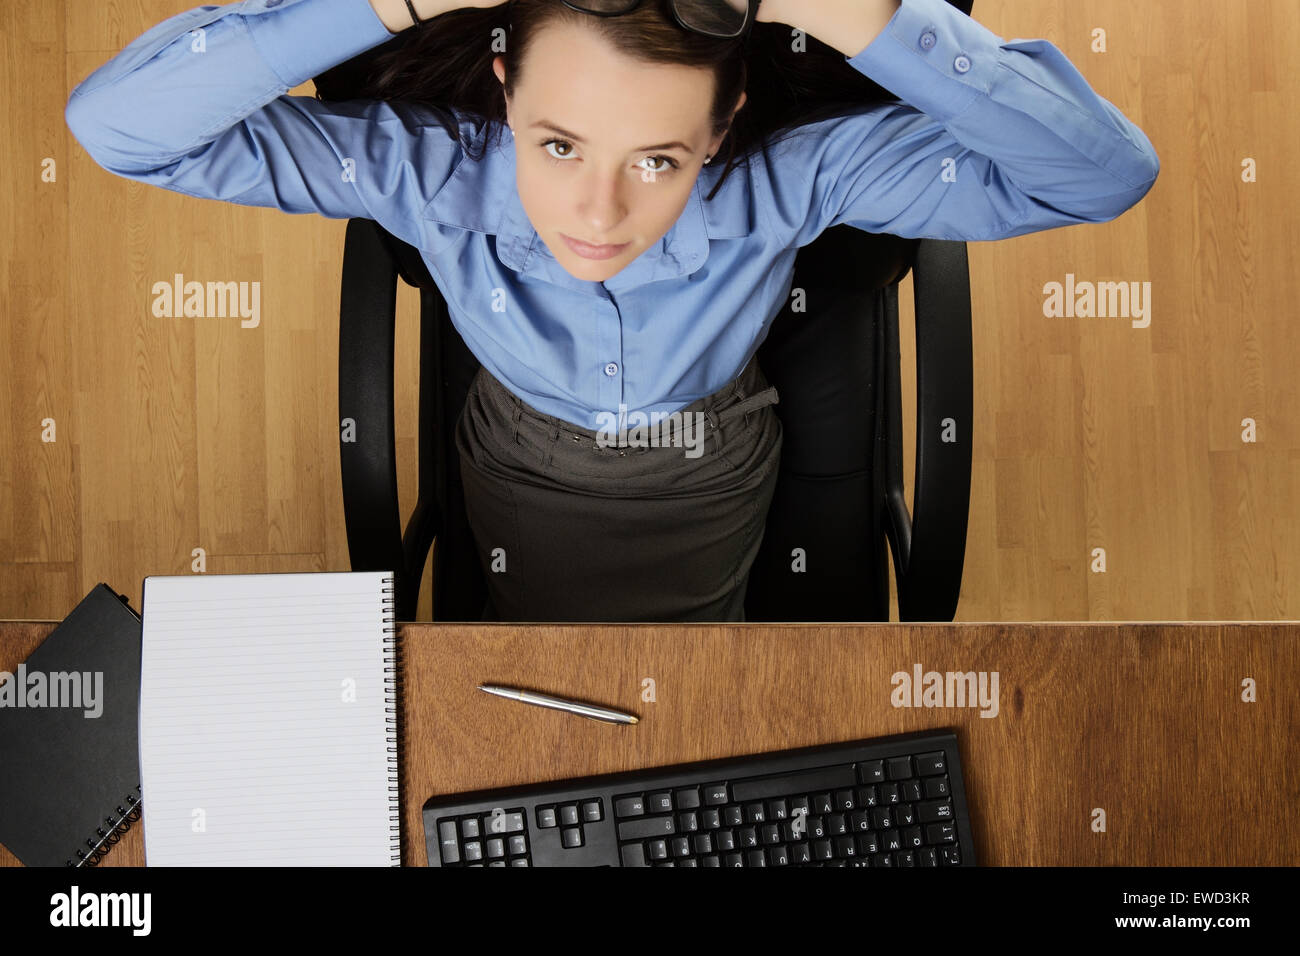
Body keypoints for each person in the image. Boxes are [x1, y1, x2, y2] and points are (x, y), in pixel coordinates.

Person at [65, 0, 1159, 622]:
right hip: (519, 462)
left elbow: (1101, 174)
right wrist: (382, 2)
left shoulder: (790, 179)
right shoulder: (424, 174)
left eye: (660, 158)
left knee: (697, 723)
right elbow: (119, 127)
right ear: (503, 86)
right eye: (557, 144)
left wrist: (864, 19)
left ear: (724, 124)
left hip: (714, 458)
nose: (596, 213)